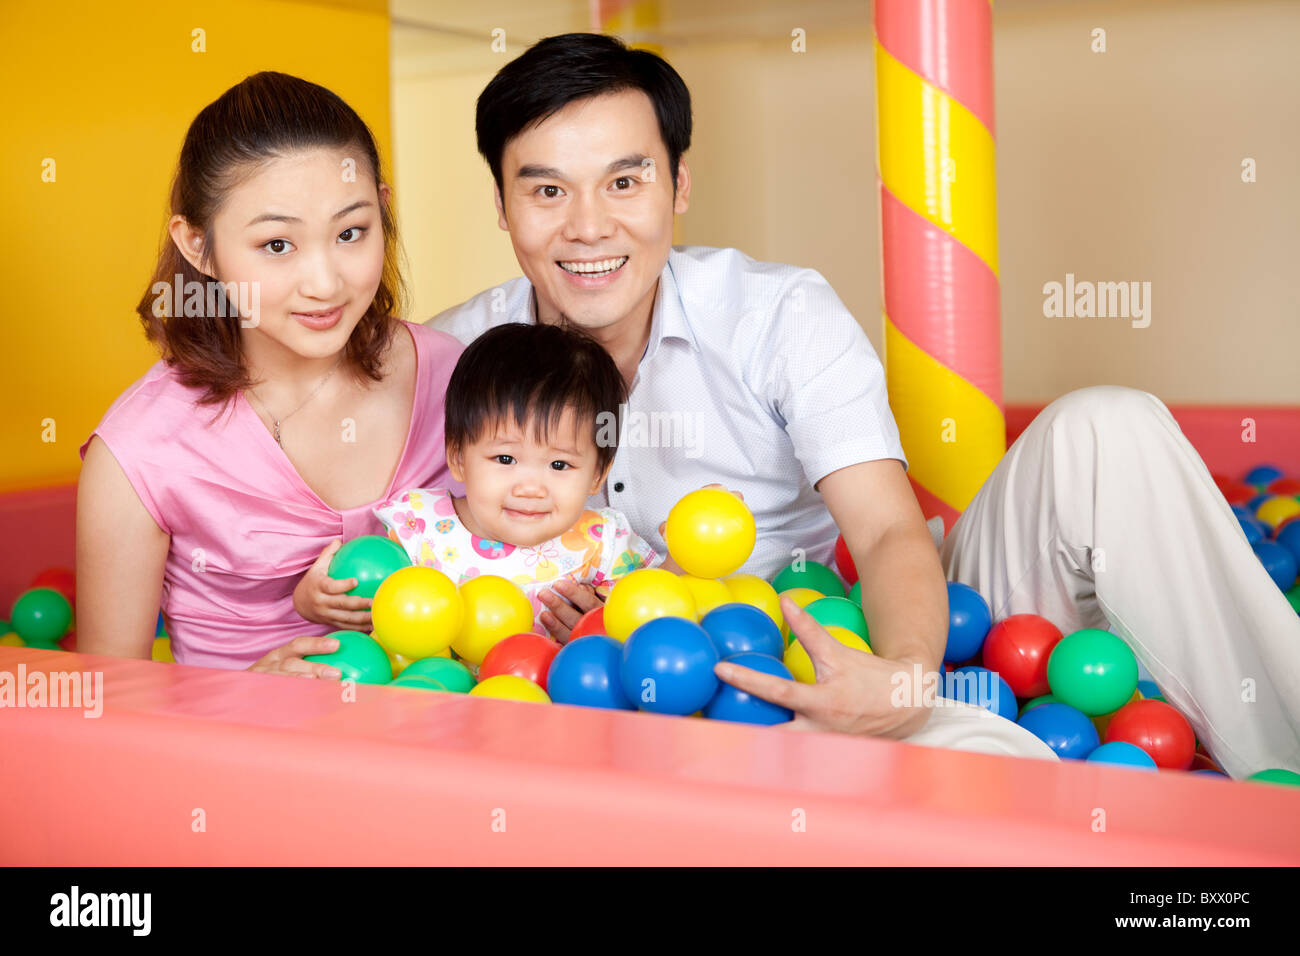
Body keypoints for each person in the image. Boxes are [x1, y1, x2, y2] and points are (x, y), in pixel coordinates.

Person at [430, 33, 1300, 776]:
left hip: (850, 629)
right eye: (547, 190)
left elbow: (886, 530)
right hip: (631, 692)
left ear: (678, 186)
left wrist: (905, 675)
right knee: (972, 778)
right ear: (502, 206)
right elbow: (377, 530)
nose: (588, 227)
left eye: (625, 182)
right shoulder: (448, 357)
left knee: (1107, 426)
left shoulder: (776, 314)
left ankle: (1280, 766)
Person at [77, 72, 465, 676]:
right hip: (239, 767)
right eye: (277, 245)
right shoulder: (140, 453)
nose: (325, 282)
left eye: (351, 233)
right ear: (198, 247)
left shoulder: (457, 378)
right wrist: (253, 694)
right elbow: (107, 710)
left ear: (383, 212)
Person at [367, 322, 664, 630]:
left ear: (597, 474)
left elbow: (655, 612)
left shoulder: (603, 546)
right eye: (505, 459)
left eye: (559, 465)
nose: (530, 488)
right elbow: (366, 597)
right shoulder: (419, 527)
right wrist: (316, 600)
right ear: (457, 458)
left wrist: (683, 555)